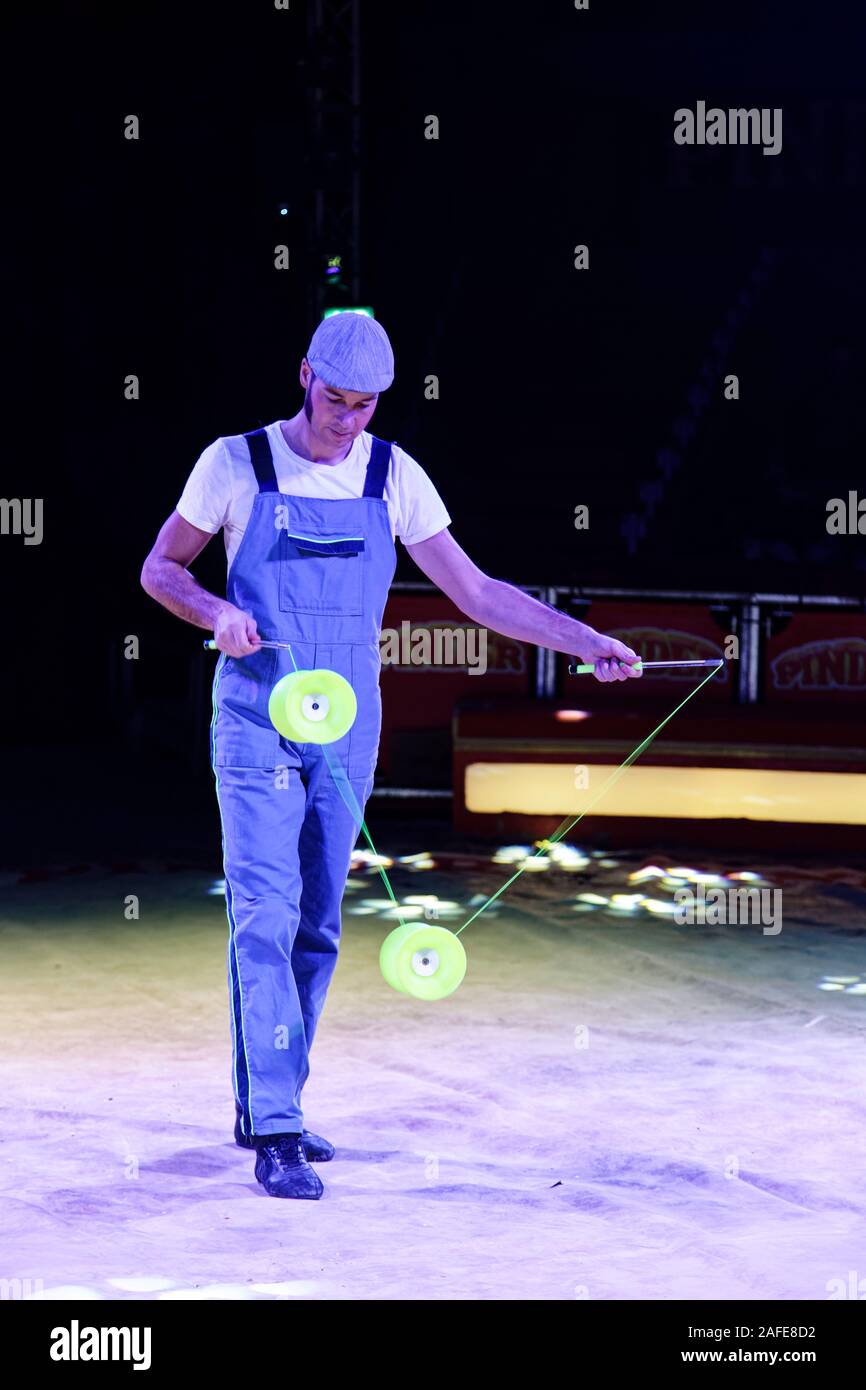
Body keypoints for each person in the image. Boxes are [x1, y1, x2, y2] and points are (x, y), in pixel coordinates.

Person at [140, 311, 640, 1199]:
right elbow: (160, 570)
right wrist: (217, 614)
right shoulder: (235, 464)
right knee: (263, 912)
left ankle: (270, 1100)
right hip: (256, 718)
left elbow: (478, 591)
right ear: (303, 377)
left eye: (366, 406)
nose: (348, 422)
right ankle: (279, 1130)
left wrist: (582, 639)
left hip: (349, 726)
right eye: (336, 401)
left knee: (317, 926)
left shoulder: (392, 474)